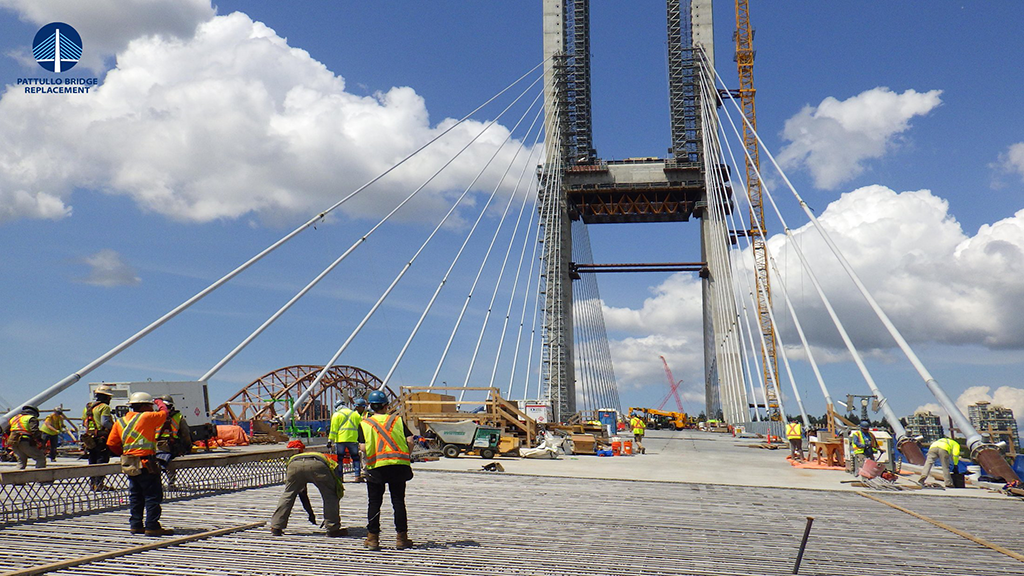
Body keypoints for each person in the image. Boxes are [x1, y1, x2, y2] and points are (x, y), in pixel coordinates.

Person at [106, 392, 173, 536]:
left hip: (129, 463)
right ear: (144, 406)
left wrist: (126, 453)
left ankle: (136, 525)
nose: (152, 408)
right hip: (146, 462)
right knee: (152, 495)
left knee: (135, 495)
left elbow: (111, 443)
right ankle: (152, 526)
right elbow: (164, 413)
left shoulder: (120, 421)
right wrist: (159, 401)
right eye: (150, 405)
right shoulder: (148, 417)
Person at [360, 389, 413, 551]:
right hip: (398, 465)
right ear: (386, 405)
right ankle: (401, 538)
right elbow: (410, 440)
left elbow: (362, 447)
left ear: (370, 406)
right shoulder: (396, 420)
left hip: (376, 467)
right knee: (398, 502)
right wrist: (405, 455)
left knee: (374, 502)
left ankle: (373, 539)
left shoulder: (365, 423)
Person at [270, 439, 346, 537]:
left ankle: (276, 526)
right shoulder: (322, 455)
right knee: (330, 496)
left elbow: (302, 494)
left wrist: (310, 513)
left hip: (294, 465)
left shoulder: (294, 458)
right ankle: (332, 528)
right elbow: (336, 485)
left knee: (288, 495)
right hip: (317, 464)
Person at [154, 395, 191, 488]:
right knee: (169, 464)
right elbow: (185, 433)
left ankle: (158, 483)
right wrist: (188, 446)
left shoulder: (156, 415)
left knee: (156, 464)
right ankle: (171, 482)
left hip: (156, 445)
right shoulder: (178, 416)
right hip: (169, 445)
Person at [82, 386, 115, 490]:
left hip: (90, 438)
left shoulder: (88, 407)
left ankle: (93, 483)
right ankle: (99, 484)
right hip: (101, 437)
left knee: (92, 460)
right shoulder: (104, 407)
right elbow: (104, 422)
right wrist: (115, 428)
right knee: (102, 461)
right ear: (106, 397)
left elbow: (84, 422)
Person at [329, 398, 366, 482]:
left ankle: (340, 477)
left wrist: (330, 440)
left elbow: (333, 429)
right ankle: (357, 476)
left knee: (340, 459)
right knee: (355, 458)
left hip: (340, 440)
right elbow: (360, 426)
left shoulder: (336, 415)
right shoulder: (355, 414)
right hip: (353, 439)